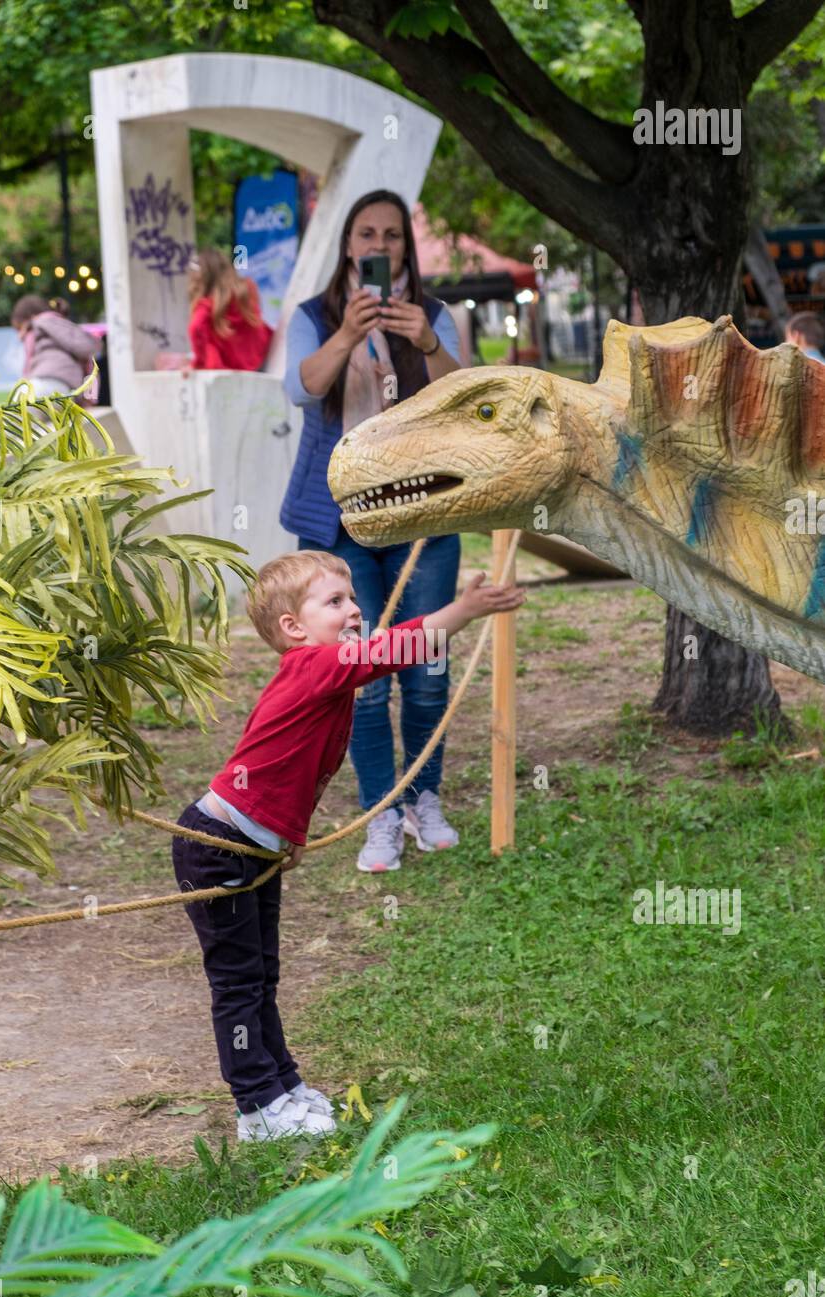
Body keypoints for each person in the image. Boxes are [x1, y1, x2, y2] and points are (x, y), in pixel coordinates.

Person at [172, 549, 525, 1142]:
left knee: (261, 977)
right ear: (293, 628)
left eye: (353, 598)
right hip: (218, 844)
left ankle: (282, 1087)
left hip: (252, 845)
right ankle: (257, 1108)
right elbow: (390, 651)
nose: (355, 609)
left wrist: (288, 838)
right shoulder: (312, 666)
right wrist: (463, 610)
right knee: (237, 983)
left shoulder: (323, 677)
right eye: (335, 602)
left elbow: (287, 769)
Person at [280, 189, 463, 873]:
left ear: (405, 246)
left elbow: (469, 395)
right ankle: (379, 813)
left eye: (390, 235)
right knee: (362, 678)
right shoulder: (313, 316)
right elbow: (300, 388)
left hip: (424, 513)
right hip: (340, 519)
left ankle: (425, 800)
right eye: (366, 233)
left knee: (426, 669)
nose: (378, 245)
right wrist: (349, 334)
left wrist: (426, 340)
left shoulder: (436, 314)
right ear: (348, 244)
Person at [187, 248, 272, 370]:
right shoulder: (248, 288)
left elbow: (195, 328)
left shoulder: (207, 304)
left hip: (224, 366)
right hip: (257, 360)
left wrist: (198, 362)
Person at [11, 294, 100, 397]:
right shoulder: (66, 327)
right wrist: (89, 396)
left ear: (30, 319)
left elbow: (28, 366)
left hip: (41, 385)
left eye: (19, 329)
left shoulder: (33, 328)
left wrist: (24, 381)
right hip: (68, 390)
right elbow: (88, 360)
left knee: (19, 401)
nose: (19, 336)